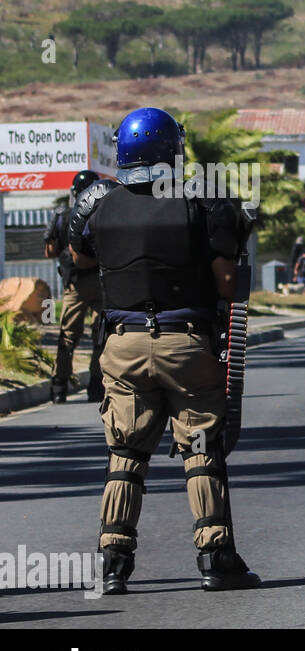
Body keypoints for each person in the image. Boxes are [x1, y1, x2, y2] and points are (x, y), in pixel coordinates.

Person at [68, 107, 260, 593]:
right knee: (200, 449)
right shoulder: (203, 202)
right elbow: (230, 284)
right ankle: (215, 558)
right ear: (174, 150)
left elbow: (80, 256)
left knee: (126, 452)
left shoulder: (98, 203)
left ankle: (112, 564)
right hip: (186, 345)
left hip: (123, 345)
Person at [45, 169, 106, 404]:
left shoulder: (67, 215)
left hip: (76, 286)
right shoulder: (103, 214)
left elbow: (49, 252)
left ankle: (59, 385)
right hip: (100, 283)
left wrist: (55, 229)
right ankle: (95, 383)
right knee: (101, 335)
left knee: (68, 337)